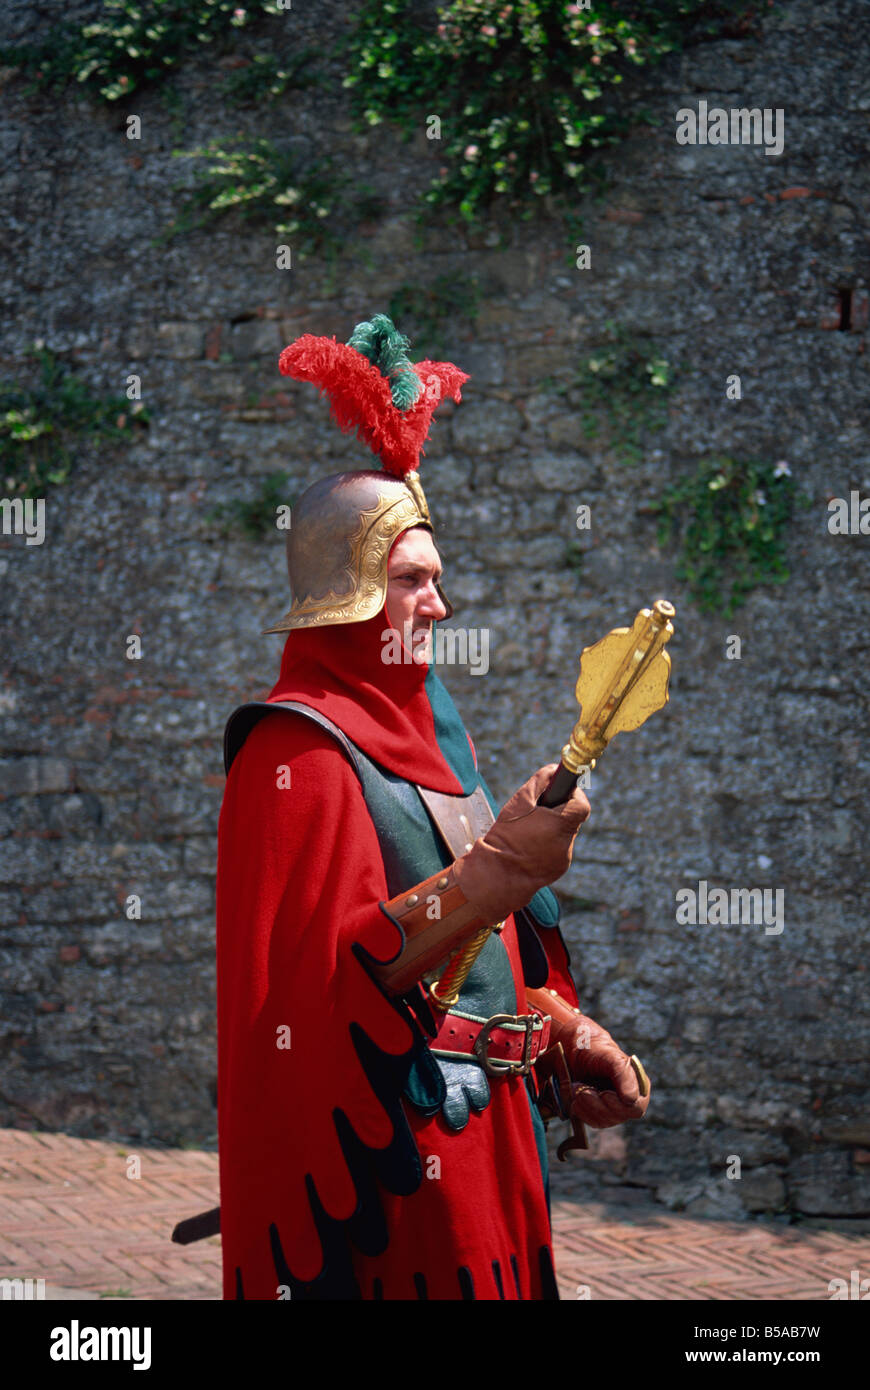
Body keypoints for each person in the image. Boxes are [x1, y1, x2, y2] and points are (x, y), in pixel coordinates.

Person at [215, 314, 650, 1301]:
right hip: (395, 1181)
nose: (438, 607)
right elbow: (321, 987)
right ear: (345, 597)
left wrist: (560, 1030)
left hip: (496, 1151)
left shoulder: (438, 739)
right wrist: (502, 864)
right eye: (411, 580)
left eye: (437, 581)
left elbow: (463, 958)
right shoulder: (293, 751)